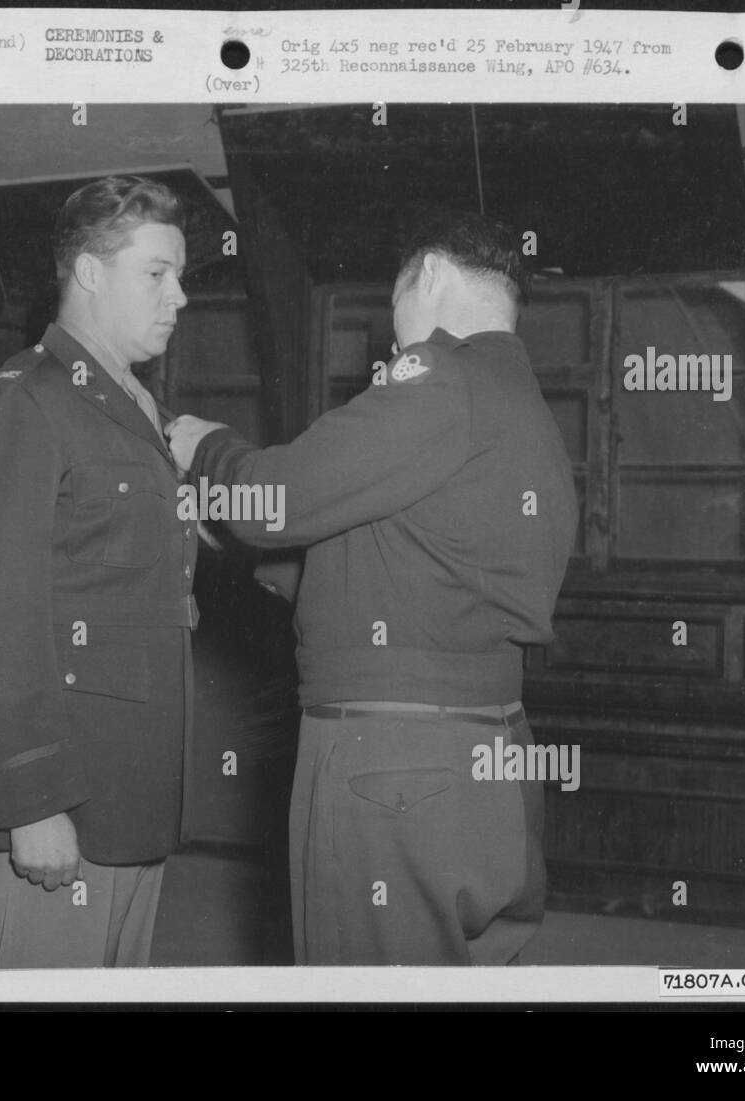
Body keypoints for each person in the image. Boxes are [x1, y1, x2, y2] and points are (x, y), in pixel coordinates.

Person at [166, 210, 578, 965]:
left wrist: (205, 447)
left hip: (393, 761)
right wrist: (229, 536)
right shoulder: (524, 413)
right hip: (491, 756)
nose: (393, 343)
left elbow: (279, 494)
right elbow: (398, 555)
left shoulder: (439, 374)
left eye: (395, 309)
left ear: (429, 277)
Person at [0, 175, 196, 968]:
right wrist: (34, 798)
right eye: (157, 273)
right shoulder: (23, 401)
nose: (178, 296)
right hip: (61, 805)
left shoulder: (130, 408)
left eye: (178, 275)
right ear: (88, 271)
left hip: (128, 799)